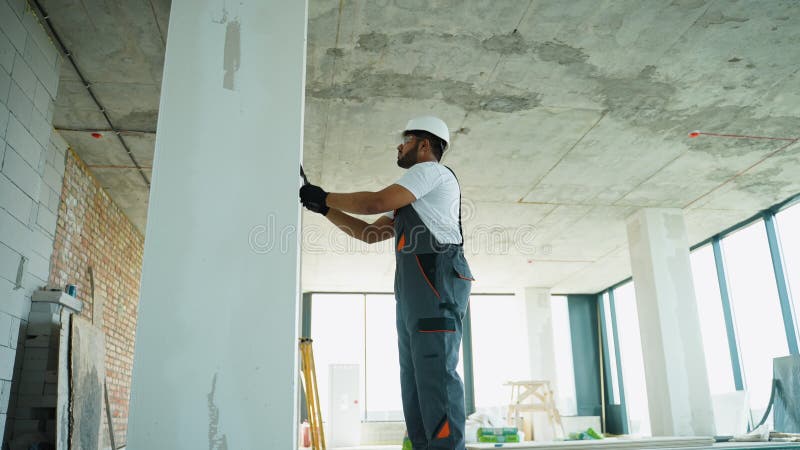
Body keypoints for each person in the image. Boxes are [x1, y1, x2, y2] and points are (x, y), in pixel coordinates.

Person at [299, 116, 474, 450]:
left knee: (435, 380)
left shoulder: (430, 172)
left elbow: (374, 202)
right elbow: (368, 233)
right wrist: (324, 208)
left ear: (425, 145)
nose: (399, 145)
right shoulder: (412, 202)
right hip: (414, 302)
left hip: (435, 293)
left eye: (405, 139)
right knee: (415, 388)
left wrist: (326, 194)